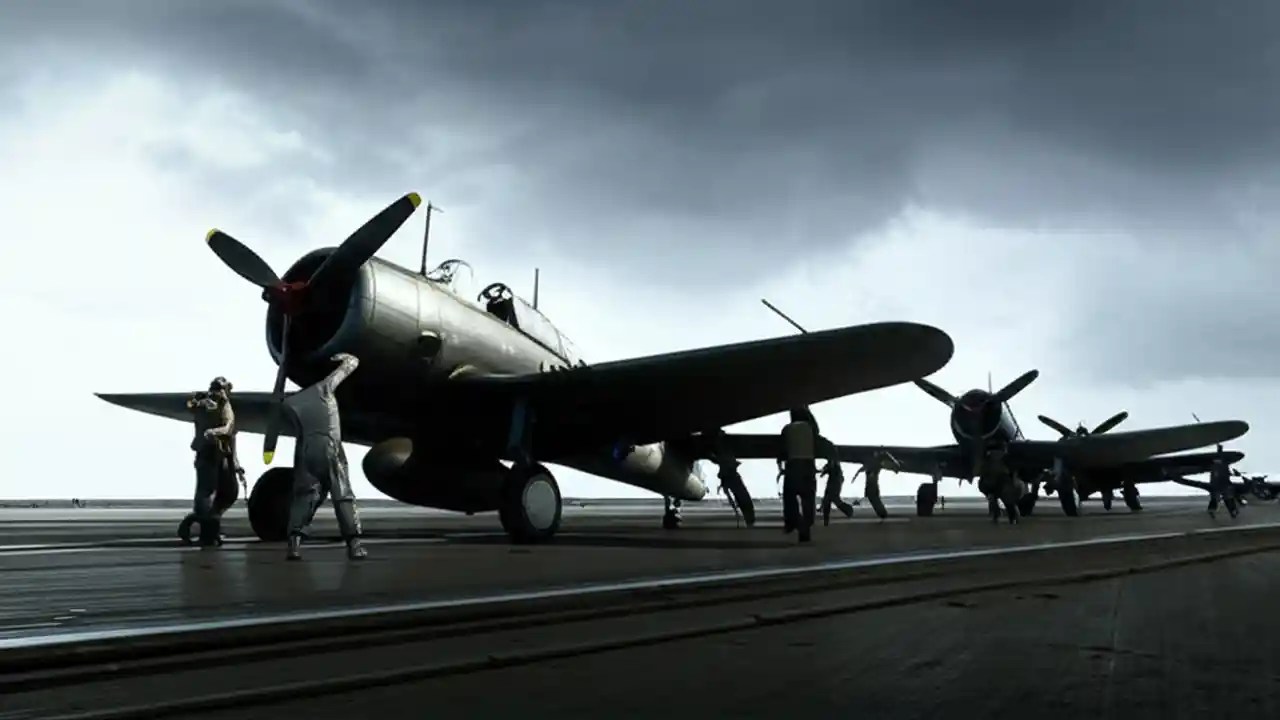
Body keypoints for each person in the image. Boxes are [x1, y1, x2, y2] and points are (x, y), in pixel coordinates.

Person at [284, 353, 367, 561]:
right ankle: (354, 544)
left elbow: (299, 433)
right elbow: (352, 365)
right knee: (343, 494)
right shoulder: (325, 388)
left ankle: (294, 545)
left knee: (305, 496)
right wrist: (345, 357)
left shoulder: (291, 402)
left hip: (305, 450)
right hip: (330, 446)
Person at [185, 377, 237, 546]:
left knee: (227, 492)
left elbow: (230, 430)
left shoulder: (222, 405)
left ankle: (207, 528)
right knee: (206, 493)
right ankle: (207, 534)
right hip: (208, 453)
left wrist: (234, 461)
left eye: (221, 389)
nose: (219, 392)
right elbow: (227, 427)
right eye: (216, 388)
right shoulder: (207, 404)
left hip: (220, 453)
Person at [778, 408, 818, 542]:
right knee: (808, 499)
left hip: (793, 465)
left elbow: (782, 450)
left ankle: (794, 523)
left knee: (790, 498)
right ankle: (805, 528)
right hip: (809, 465)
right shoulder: (811, 428)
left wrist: (781, 466)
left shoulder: (787, 429)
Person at [858, 448, 902, 520]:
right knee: (873, 496)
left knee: (872, 496)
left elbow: (868, 468)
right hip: (872, 483)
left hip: (872, 483)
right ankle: (882, 513)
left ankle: (882, 513)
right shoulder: (876, 462)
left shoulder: (876, 462)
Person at [819, 441, 854, 526]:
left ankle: (848, 510)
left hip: (834, 482)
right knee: (832, 499)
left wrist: (823, 471)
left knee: (830, 499)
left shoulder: (832, 460)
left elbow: (828, 469)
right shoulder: (834, 460)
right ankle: (847, 511)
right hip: (835, 482)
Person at [1207, 445, 1238, 519]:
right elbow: (1223, 474)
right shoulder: (1221, 465)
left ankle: (1212, 510)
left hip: (1217, 484)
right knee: (1228, 499)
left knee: (1216, 498)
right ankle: (1232, 511)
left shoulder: (1215, 466)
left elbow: (1215, 476)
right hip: (1222, 484)